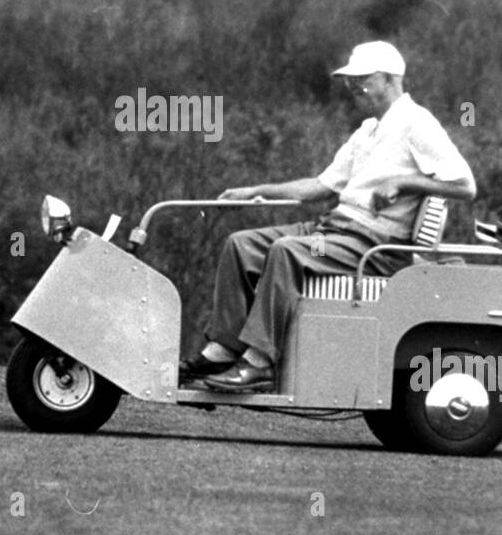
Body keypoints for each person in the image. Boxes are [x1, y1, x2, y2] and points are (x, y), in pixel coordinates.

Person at [182, 41, 477, 393]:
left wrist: (403, 182)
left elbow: (464, 184)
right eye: (351, 80)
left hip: (371, 242)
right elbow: (321, 186)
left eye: (363, 79)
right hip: (332, 233)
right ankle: (224, 349)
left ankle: (260, 361)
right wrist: (254, 190)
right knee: (242, 245)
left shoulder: (416, 122)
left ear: (389, 79)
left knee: (290, 250)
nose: (353, 87)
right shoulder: (368, 129)